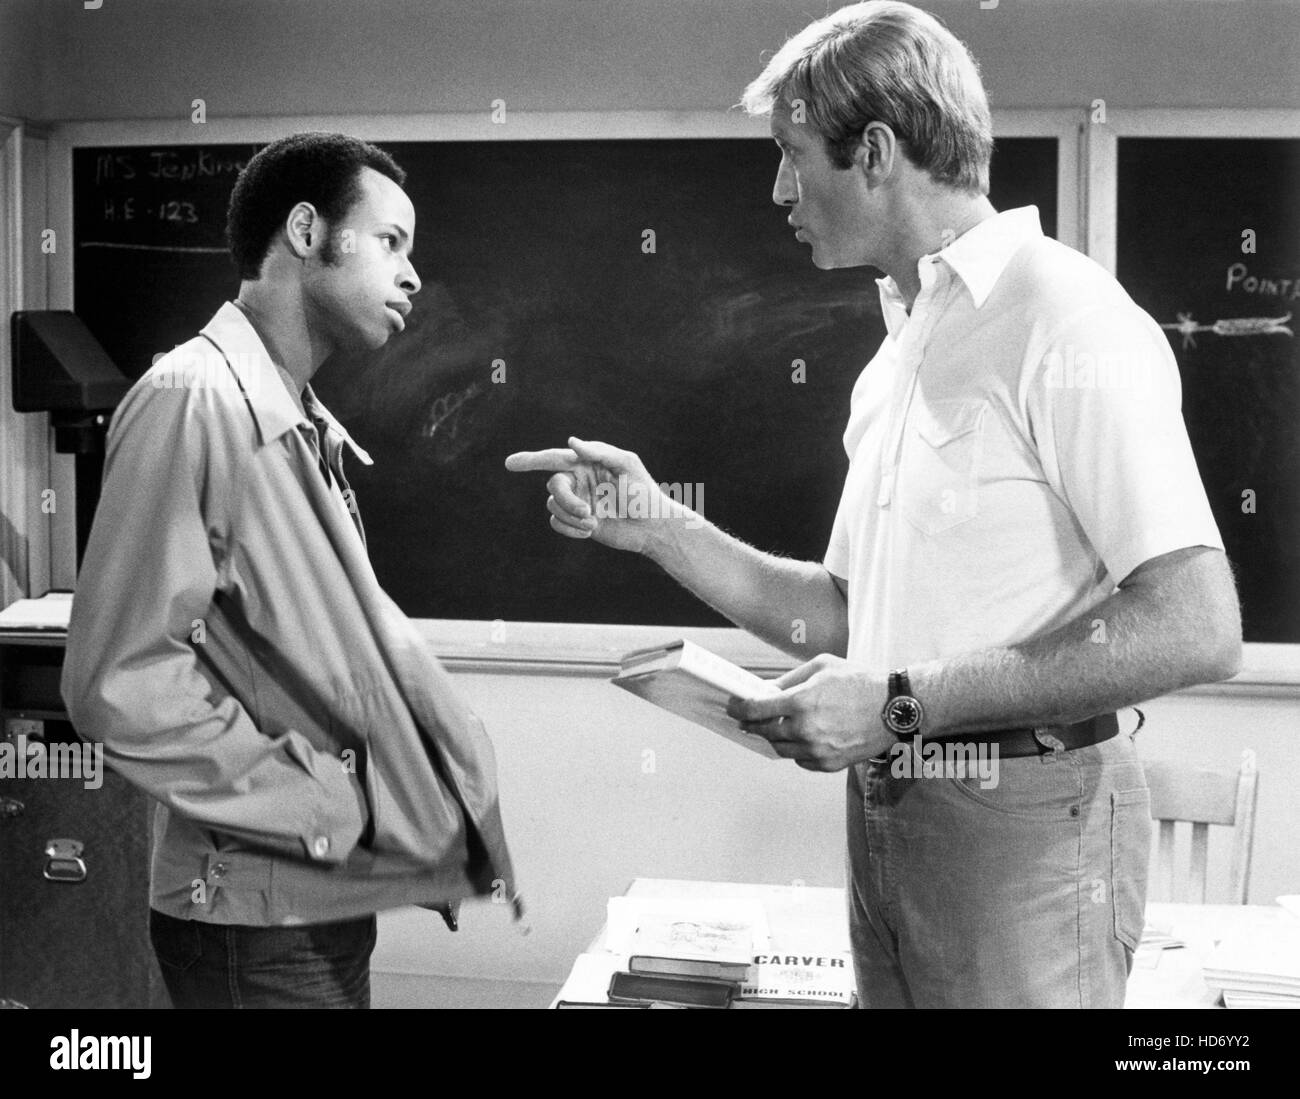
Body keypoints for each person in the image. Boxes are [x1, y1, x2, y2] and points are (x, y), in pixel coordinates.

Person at [506, 1, 1241, 1008]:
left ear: (877, 152)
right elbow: (847, 619)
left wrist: (896, 701)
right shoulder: (899, 353)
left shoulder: (1061, 313)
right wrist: (657, 527)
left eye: (790, 153)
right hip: (893, 807)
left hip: (1023, 817)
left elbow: (1196, 624)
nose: (777, 188)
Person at [62, 132, 518, 1009]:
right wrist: (335, 813)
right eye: (391, 242)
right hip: (251, 922)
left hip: (316, 908)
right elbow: (118, 680)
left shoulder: (299, 426)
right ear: (307, 232)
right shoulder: (192, 402)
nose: (414, 274)